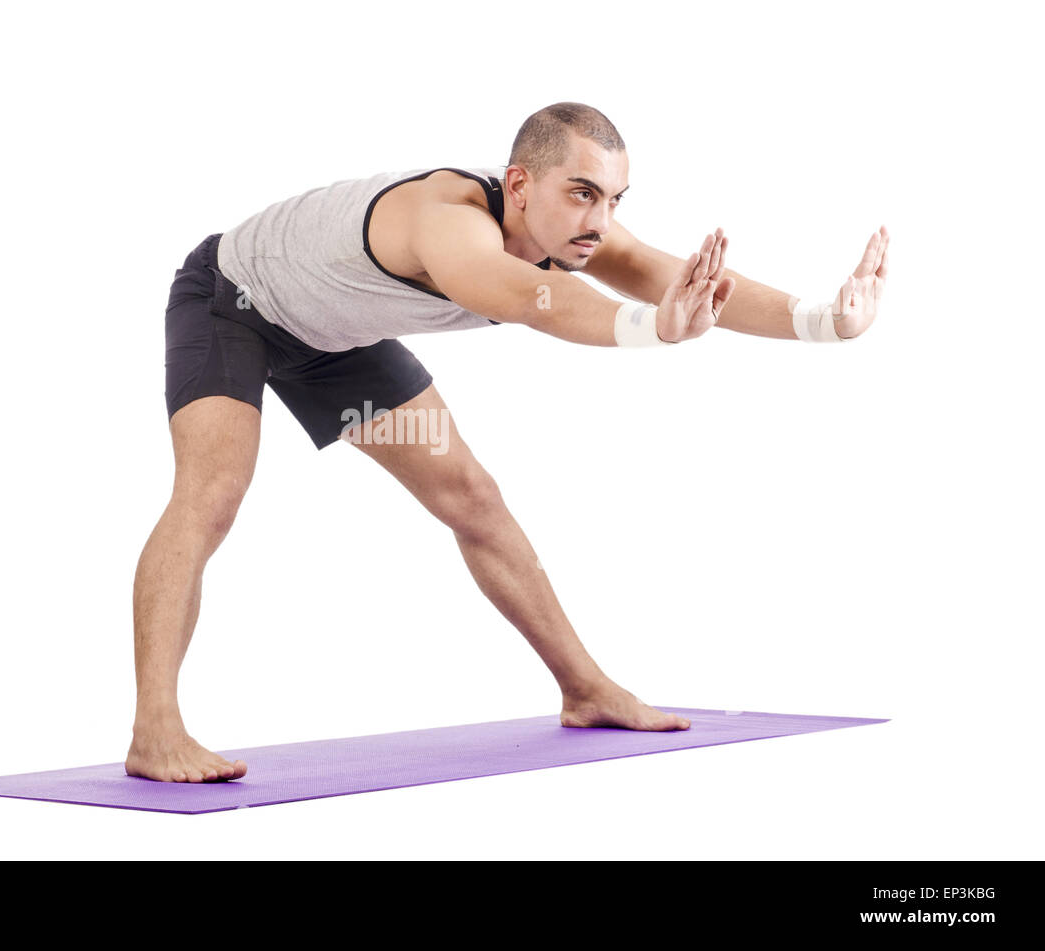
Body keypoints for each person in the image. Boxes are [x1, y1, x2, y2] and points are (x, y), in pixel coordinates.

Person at [126, 102, 890, 783]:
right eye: (583, 192)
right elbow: (533, 298)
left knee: (473, 498)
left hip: (334, 344)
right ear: (520, 186)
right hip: (235, 303)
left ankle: (586, 689)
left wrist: (825, 320)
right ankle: (155, 727)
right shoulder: (449, 219)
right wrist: (654, 329)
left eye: (615, 198)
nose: (600, 218)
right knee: (214, 493)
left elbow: (674, 277)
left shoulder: (576, 232)